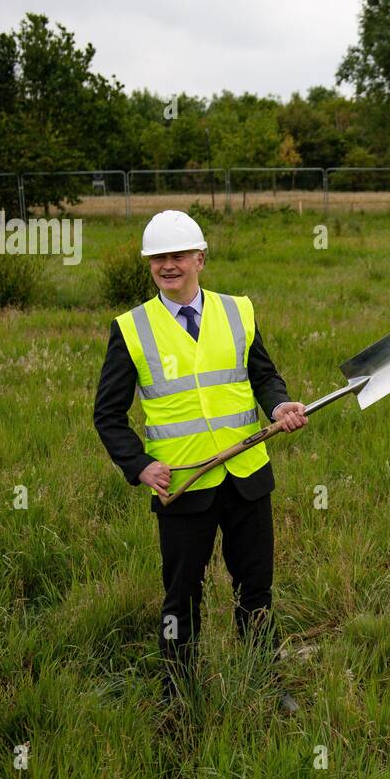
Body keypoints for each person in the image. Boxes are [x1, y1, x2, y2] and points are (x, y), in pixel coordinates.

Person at [93, 210, 306, 712]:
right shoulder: (132, 328)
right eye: (158, 258)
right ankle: (177, 693)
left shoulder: (239, 312)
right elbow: (108, 414)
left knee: (255, 588)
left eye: (178, 256)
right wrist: (140, 465)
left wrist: (279, 406)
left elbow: (263, 376)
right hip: (183, 486)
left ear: (200, 259)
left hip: (247, 477)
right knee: (181, 595)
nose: (169, 266)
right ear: (150, 265)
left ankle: (266, 681)